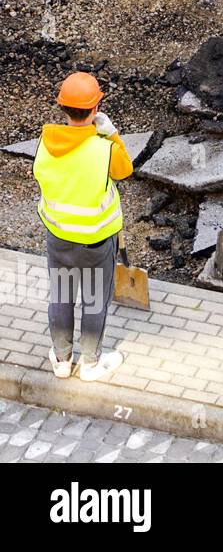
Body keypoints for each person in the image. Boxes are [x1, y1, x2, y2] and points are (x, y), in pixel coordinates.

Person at [35, 72, 133, 382]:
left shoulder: (46, 142)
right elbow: (125, 170)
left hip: (59, 237)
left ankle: (62, 361)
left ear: (62, 107)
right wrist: (111, 134)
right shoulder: (103, 149)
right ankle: (90, 364)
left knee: (61, 295)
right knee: (93, 300)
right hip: (95, 241)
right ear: (95, 109)